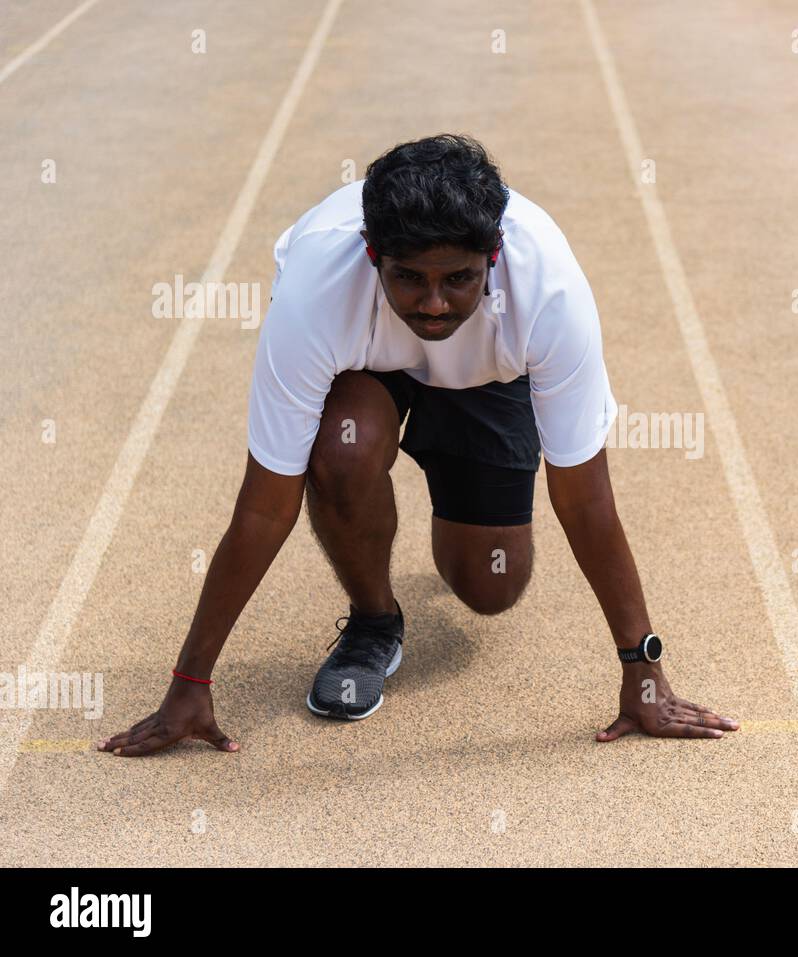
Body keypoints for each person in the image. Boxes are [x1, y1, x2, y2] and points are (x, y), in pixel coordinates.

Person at [96, 134, 738, 756]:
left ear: (495, 253)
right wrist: (190, 683)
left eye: (458, 278)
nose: (433, 304)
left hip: (489, 373)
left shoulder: (549, 291)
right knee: (342, 453)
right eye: (410, 279)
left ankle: (453, 480)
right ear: (372, 254)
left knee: (490, 585)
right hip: (368, 367)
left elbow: (585, 498)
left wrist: (642, 665)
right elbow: (266, 506)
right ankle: (375, 622)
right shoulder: (317, 292)